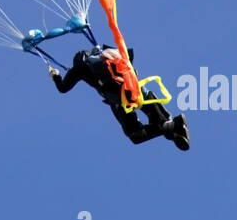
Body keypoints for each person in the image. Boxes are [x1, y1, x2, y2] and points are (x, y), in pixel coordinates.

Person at [49, 44, 190, 149]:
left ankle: (171, 127)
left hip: (119, 100)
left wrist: (55, 76)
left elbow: (63, 88)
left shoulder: (79, 67)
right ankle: (175, 128)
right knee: (159, 116)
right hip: (136, 88)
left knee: (136, 135)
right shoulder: (104, 51)